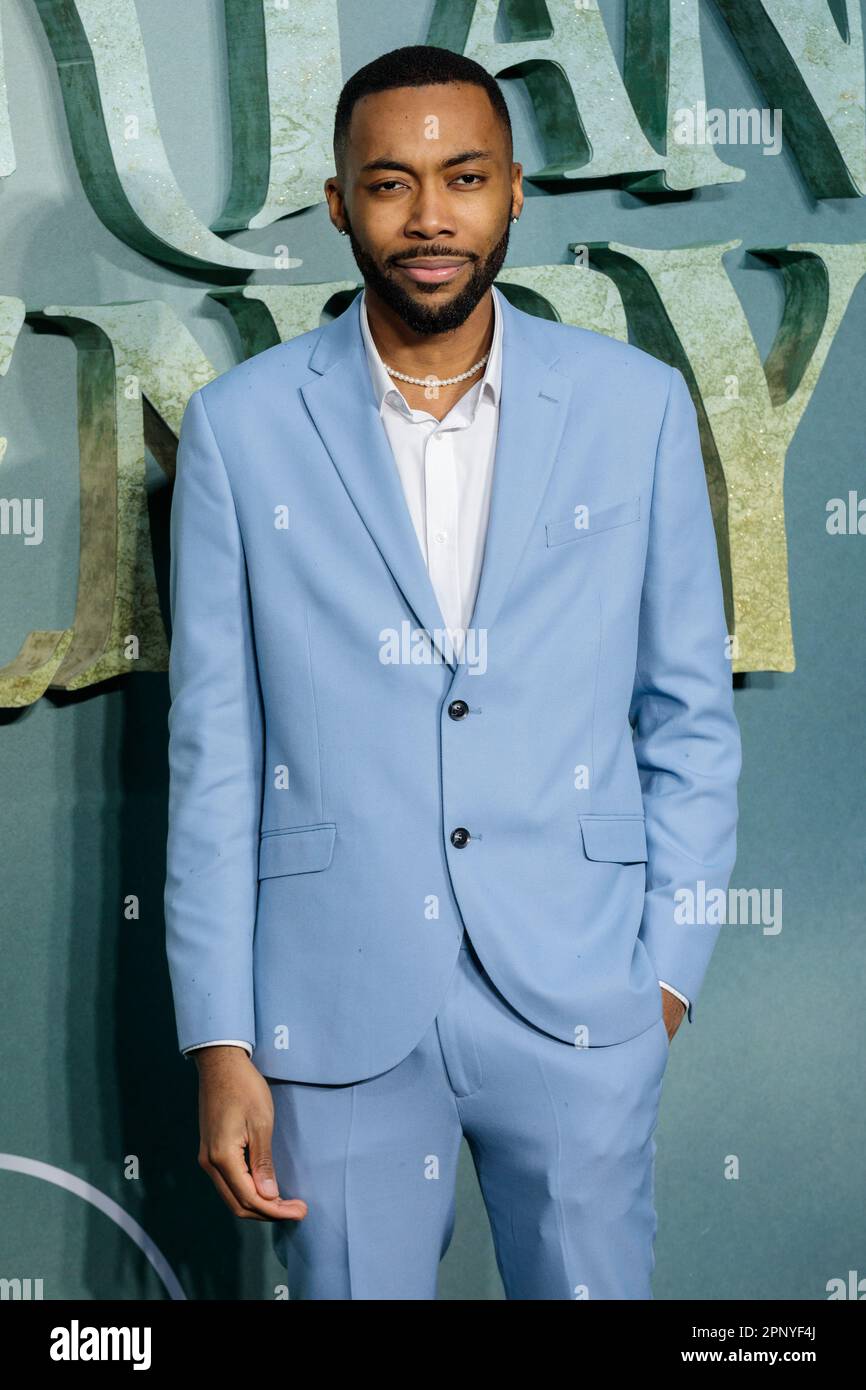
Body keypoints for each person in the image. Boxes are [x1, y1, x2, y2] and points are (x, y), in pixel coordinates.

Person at [164, 44, 741, 1300]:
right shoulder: (241, 429)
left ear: (515, 191)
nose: (429, 217)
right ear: (336, 206)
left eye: (463, 176)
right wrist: (220, 1036)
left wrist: (663, 982)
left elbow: (687, 718)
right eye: (388, 183)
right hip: (331, 1015)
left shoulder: (634, 408)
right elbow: (213, 752)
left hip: (580, 998)